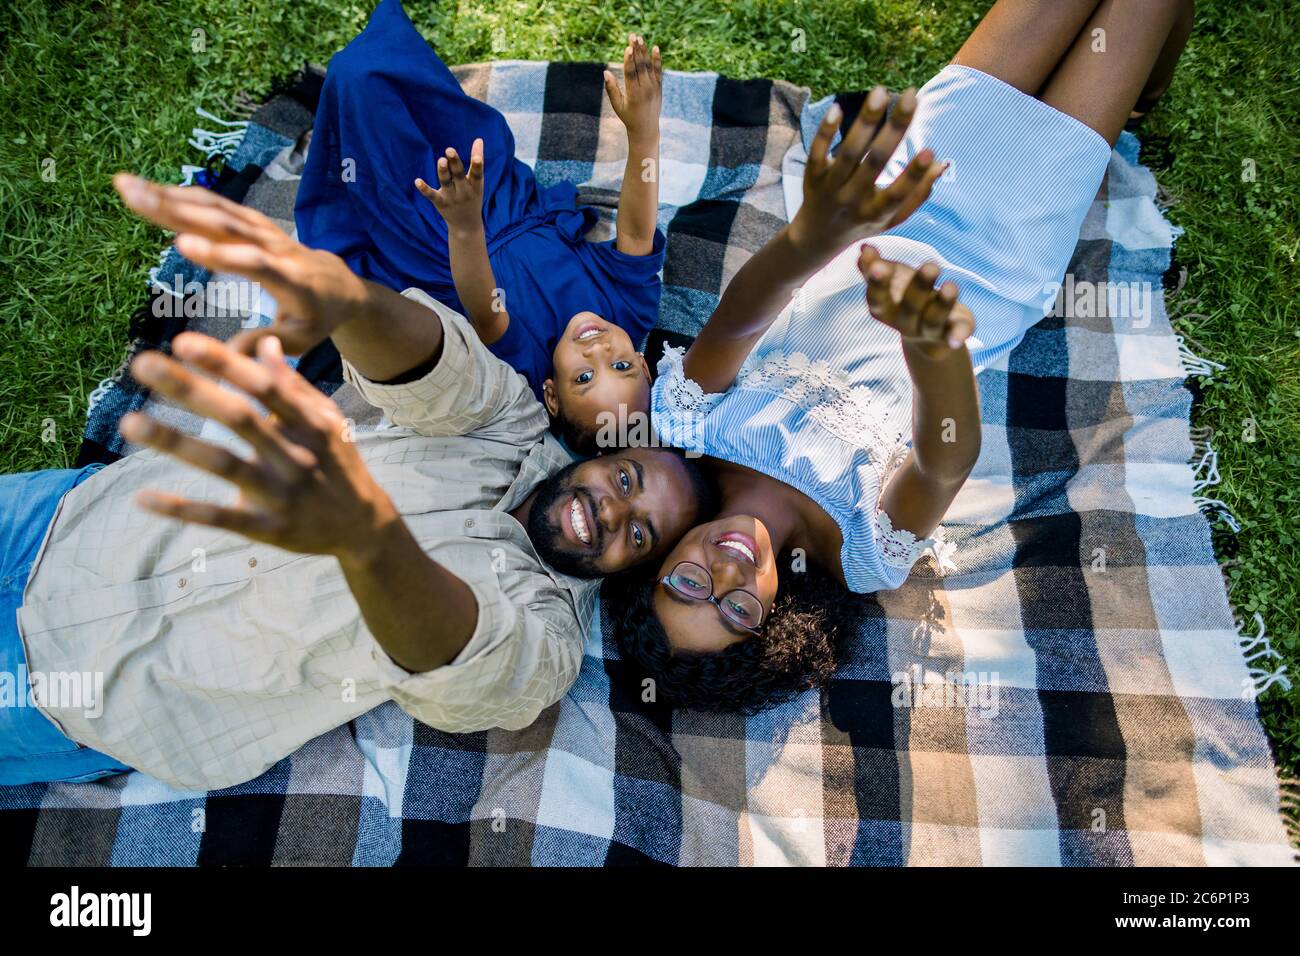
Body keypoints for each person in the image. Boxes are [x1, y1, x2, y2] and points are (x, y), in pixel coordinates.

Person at [0, 174, 712, 792]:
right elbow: (433, 366)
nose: (616, 509)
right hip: (73, 520)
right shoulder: (512, 422)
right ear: (597, 453)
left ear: (634, 567)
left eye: (641, 532)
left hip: (83, 689)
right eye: (628, 476)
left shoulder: (546, 640)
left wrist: (367, 540)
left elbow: (462, 659)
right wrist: (339, 296)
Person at [606, 0, 1196, 713]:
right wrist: (929, 344)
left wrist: (818, 233)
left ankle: (1144, 82)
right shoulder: (862, 551)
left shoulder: (690, 427)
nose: (722, 572)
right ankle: (1145, 80)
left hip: (890, 208)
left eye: (688, 587)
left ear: (662, 567)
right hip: (1003, 254)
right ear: (777, 624)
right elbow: (943, 458)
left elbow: (739, 319)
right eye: (734, 611)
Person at [295, 0, 667, 455]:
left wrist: (465, 224)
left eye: (584, 378)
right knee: (427, 93)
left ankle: (343, 110)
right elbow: (635, 232)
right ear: (646, 366)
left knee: (360, 83)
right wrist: (644, 133)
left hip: (443, 235)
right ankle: (357, 89)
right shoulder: (631, 312)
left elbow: (485, 310)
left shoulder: (528, 367)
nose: (600, 352)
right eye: (624, 365)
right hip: (507, 194)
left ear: (551, 394)